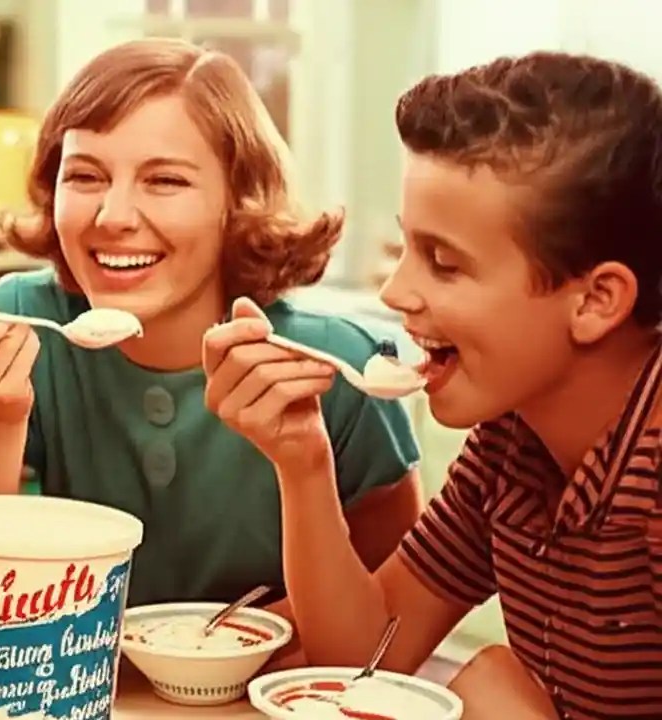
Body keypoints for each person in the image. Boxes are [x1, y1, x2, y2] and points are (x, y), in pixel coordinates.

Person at [230, 52, 662, 718]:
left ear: (597, 300)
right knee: (491, 681)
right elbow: (370, 652)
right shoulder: (513, 439)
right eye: (407, 249)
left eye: (445, 263)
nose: (396, 290)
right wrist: (304, 462)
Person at [0, 38, 422, 614]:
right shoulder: (24, 328)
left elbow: (392, 619)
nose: (113, 217)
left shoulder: (334, 365)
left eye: (164, 181)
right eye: (85, 176)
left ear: (237, 201)